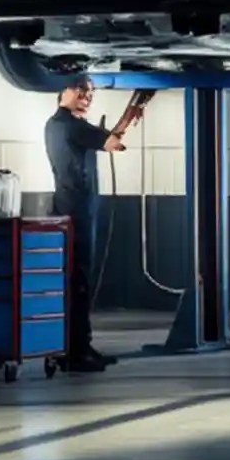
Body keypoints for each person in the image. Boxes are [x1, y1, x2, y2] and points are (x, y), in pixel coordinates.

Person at [44, 76, 150, 372]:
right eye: (81, 90)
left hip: (68, 210)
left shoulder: (57, 126)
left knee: (76, 282)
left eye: (90, 91)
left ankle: (78, 347)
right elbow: (114, 143)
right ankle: (76, 353)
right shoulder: (72, 126)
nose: (87, 95)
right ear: (62, 91)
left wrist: (131, 111)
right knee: (79, 283)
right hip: (77, 213)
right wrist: (133, 111)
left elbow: (102, 137)